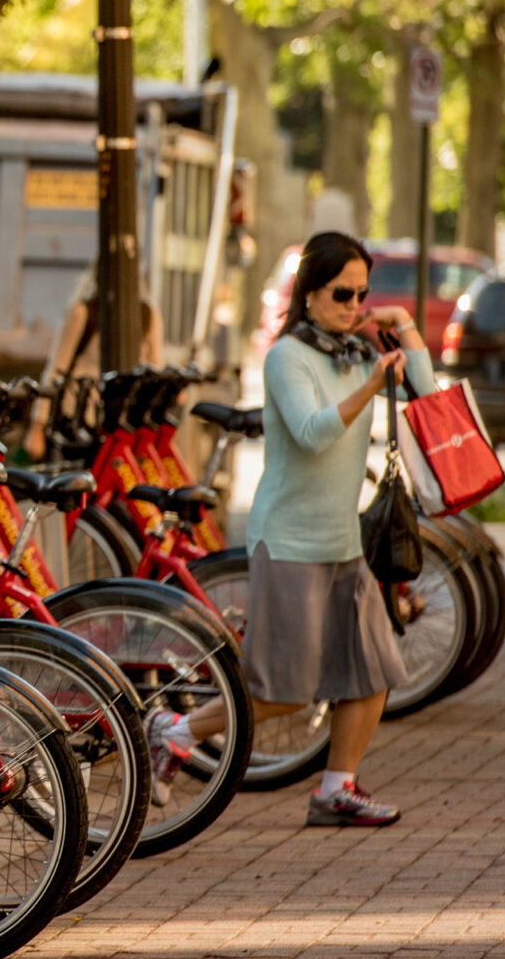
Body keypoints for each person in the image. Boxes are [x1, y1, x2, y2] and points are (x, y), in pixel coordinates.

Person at [149, 231, 430, 827]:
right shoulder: (288, 358)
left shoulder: (354, 351)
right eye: (342, 294)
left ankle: (335, 789)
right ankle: (174, 730)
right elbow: (311, 432)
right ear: (308, 295)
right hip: (290, 542)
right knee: (285, 689)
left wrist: (404, 324)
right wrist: (371, 383)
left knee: (373, 672)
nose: (356, 305)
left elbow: (428, 395)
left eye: (363, 294)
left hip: (343, 542)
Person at [23, 265, 165, 460]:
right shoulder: (83, 313)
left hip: (127, 422)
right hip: (80, 420)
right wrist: (37, 426)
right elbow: (55, 370)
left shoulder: (148, 315)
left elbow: (155, 368)